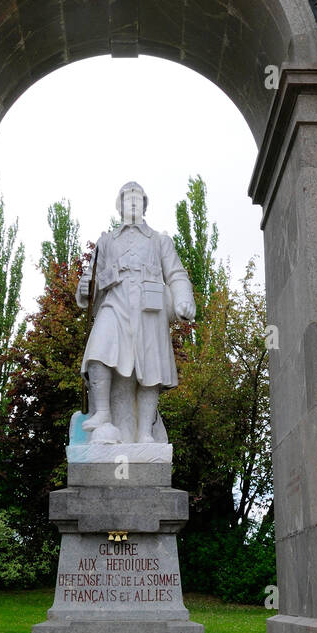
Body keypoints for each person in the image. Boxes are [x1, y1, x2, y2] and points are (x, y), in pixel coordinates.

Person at [76, 181, 195, 444]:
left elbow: (176, 274)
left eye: (137, 198)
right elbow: (90, 278)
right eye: (127, 198)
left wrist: (183, 299)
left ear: (144, 204)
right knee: (97, 352)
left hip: (148, 309)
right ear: (119, 205)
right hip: (114, 304)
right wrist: (85, 288)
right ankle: (103, 415)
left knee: (150, 372)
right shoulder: (105, 241)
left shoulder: (160, 241)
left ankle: (145, 434)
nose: (132, 202)